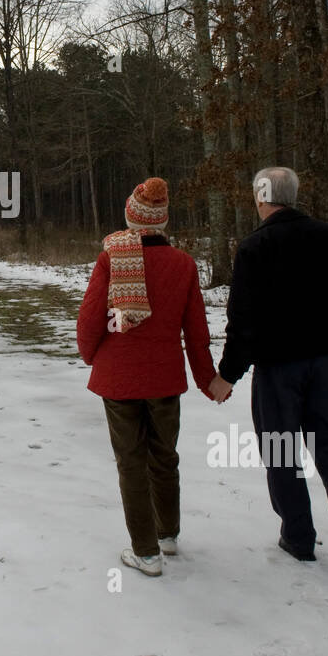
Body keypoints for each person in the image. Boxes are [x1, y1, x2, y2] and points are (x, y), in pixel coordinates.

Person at [209, 167, 328, 579]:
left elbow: (243, 322)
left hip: (279, 370)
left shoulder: (254, 247)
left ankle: (299, 537)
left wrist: (226, 375)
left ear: (261, 196)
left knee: (282, 451)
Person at [77, 177, 218, 577]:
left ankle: (145, 552)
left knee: (130, 463)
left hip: (119, 378)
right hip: (164, 377)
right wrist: (207, 379)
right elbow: (196, 330)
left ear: (131, 218)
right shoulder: (184, 264)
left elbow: (90, 319)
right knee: (164, 457)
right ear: (163, 221)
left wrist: (90, 354)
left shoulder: (111, 258)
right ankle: (167, 534)